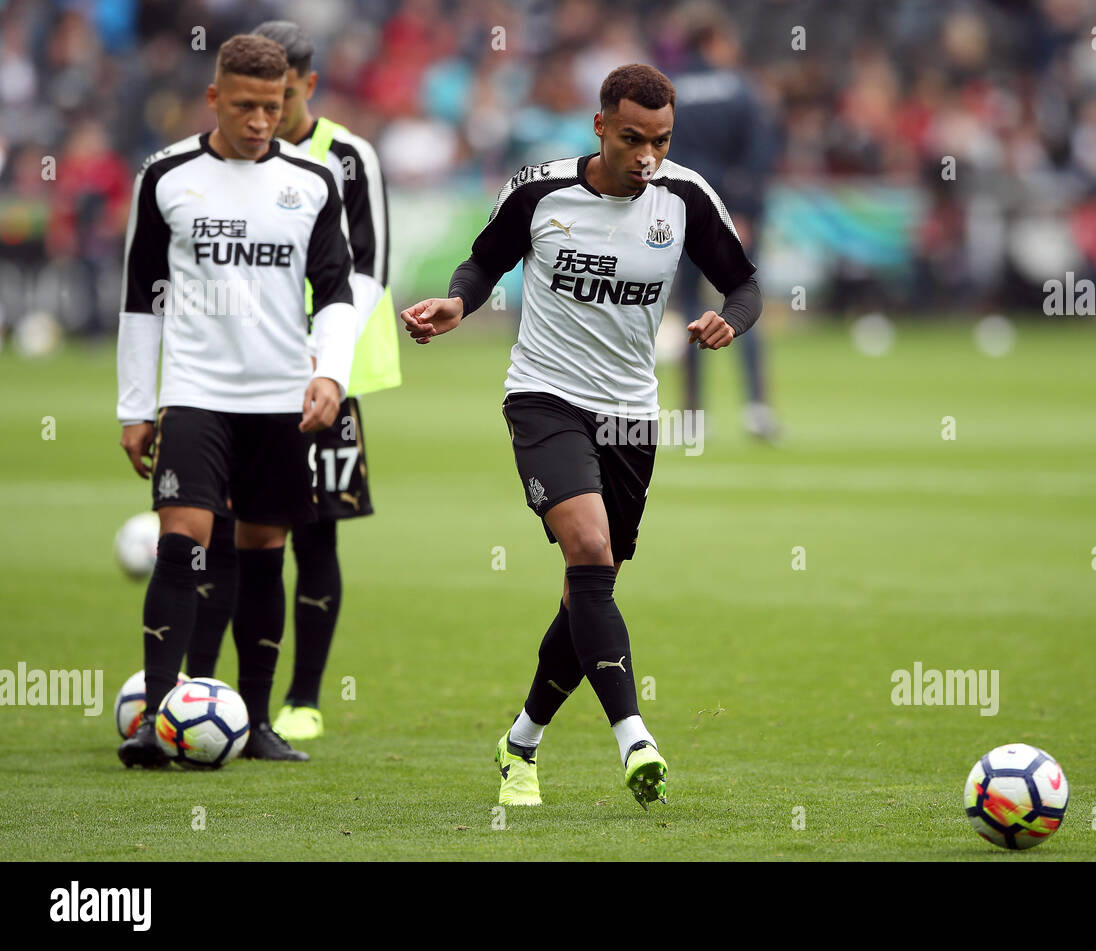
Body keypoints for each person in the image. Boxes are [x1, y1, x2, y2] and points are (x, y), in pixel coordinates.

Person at [400, 63, 761, 808]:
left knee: (587, 590)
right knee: (590, 550)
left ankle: (521, 741)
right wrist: (458, 304)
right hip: (545, 398)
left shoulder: (686, 198)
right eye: (632, 138)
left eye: (660, 140)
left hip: (630, 414)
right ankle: (634, 737)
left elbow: (746, 282)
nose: (647, 156)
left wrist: (734, 317)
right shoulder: (539, 191)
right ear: (601, 127)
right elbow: (485, 259)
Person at [115, 34, 358, 766]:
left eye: (273, 104)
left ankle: (252, 721)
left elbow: (338, 291)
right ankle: (161, 720)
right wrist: (135, 404)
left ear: (289, 99)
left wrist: (332, 375)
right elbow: (140, 297)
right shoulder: (166, 176)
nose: (260, 120)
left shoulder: (314, 182)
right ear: (215, 98)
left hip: (282, 394)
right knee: (182, 541)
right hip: (195, 391)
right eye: (246, 105)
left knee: (263, 552)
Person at [183, 19, 401, 744]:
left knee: (315, 536)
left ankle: (302, 696)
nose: (269, 112)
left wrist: (326, 355)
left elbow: (370, 268)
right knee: (220, 528)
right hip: (241, 374)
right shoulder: (225, 159)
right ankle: (200, 686)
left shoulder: (346, 157)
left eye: (283, 96)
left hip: (329, 379)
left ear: (304, 85)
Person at [669, 2, 779, 439]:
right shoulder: (741, 90)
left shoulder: (668, 90)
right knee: (742, 305)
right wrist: (746, 211)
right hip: (731, 216)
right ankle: (756, 409)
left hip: (682, 216)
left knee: (689, 311)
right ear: (713, 39)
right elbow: (757, 156)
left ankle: (693, 416)